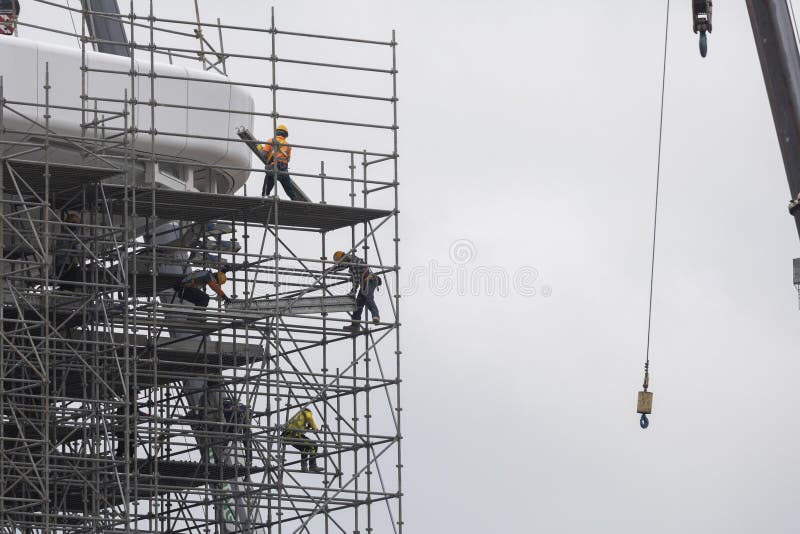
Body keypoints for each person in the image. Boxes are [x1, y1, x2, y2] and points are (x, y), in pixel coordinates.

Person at [333, 250, 381, 332]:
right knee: (358, 304)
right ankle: (355, 325)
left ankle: (376, 316)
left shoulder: (355, 264)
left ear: (344, 258)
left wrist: (352, 292)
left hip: (371, 280)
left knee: (368, 297)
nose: (342, 264)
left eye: (342, 262)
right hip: (364, 284)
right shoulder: (350, 260)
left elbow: (356, 281)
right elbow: (343, 266)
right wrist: (331, 269)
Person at [258, 124, 298, 200]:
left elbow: (264, 155)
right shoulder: (288, 146)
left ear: (276, 133)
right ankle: (295, 200)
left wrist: (260, 149)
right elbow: (288, 159)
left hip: (274, 166)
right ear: (285, 135)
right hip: (284, 169)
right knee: (288, 189)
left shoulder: (271, 141)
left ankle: (264, 196)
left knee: (267, 185)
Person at [283, 407, 323, 473]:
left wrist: (307, 427)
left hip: (291, 436)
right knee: (313, 445)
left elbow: (299, 427)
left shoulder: (299, 417)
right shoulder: (307, 412)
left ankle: (305, 466)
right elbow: (309, 418)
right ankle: (312, 466)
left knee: (305, 448)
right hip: (294, 436)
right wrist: (315, 428)